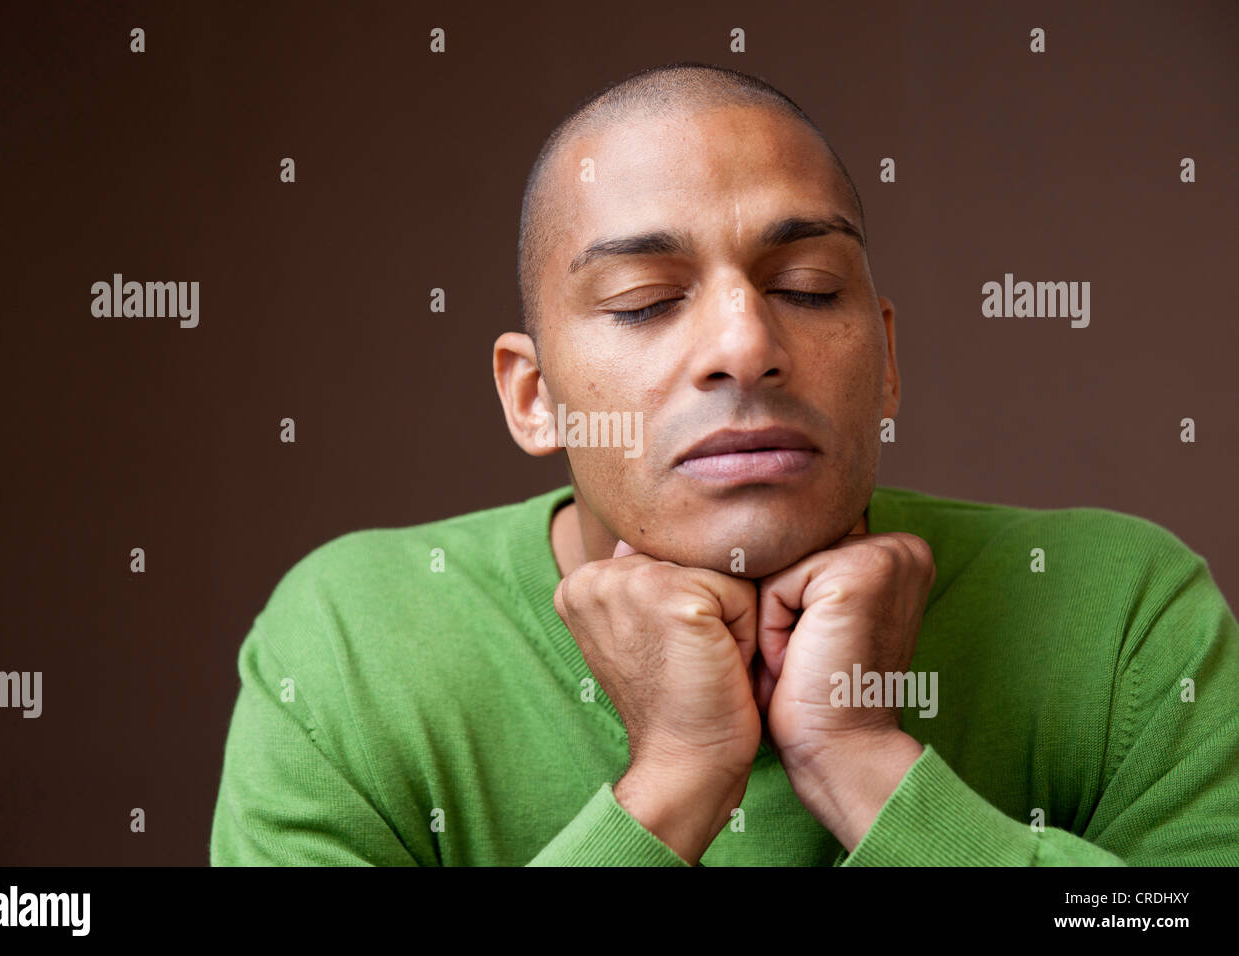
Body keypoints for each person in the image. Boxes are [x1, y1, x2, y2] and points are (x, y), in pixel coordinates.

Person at [209, 62, 1239, 866]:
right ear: (532, 395)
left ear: (886, 358)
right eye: (645, 302)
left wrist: (864, 766)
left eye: (803, 283)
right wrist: (671, 786)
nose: (744, 346)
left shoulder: (1120, 616)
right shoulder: (351, 637)